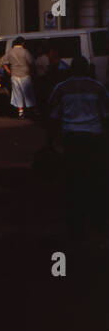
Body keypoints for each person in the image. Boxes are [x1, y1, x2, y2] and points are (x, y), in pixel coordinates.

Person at [47, 56, 109, 240]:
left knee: (73, 183)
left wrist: (50, 142)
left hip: (72, 139)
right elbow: (106, 116)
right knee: (96, 182)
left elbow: (53, 117)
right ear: (88, 69)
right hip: (94, 139)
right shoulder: (98, 88)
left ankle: (76, 226)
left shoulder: (62, 88)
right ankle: (97, 224)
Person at [1, 37, 35, 117]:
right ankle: (30, 109)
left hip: (14, 74)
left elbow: (3, 62)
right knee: (28, 92)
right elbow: (31, 62)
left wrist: (9, 71)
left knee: (17, 93)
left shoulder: (10, 52)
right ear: (22, 43)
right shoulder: (25, 51)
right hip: (25, 74)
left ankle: (20, 111)